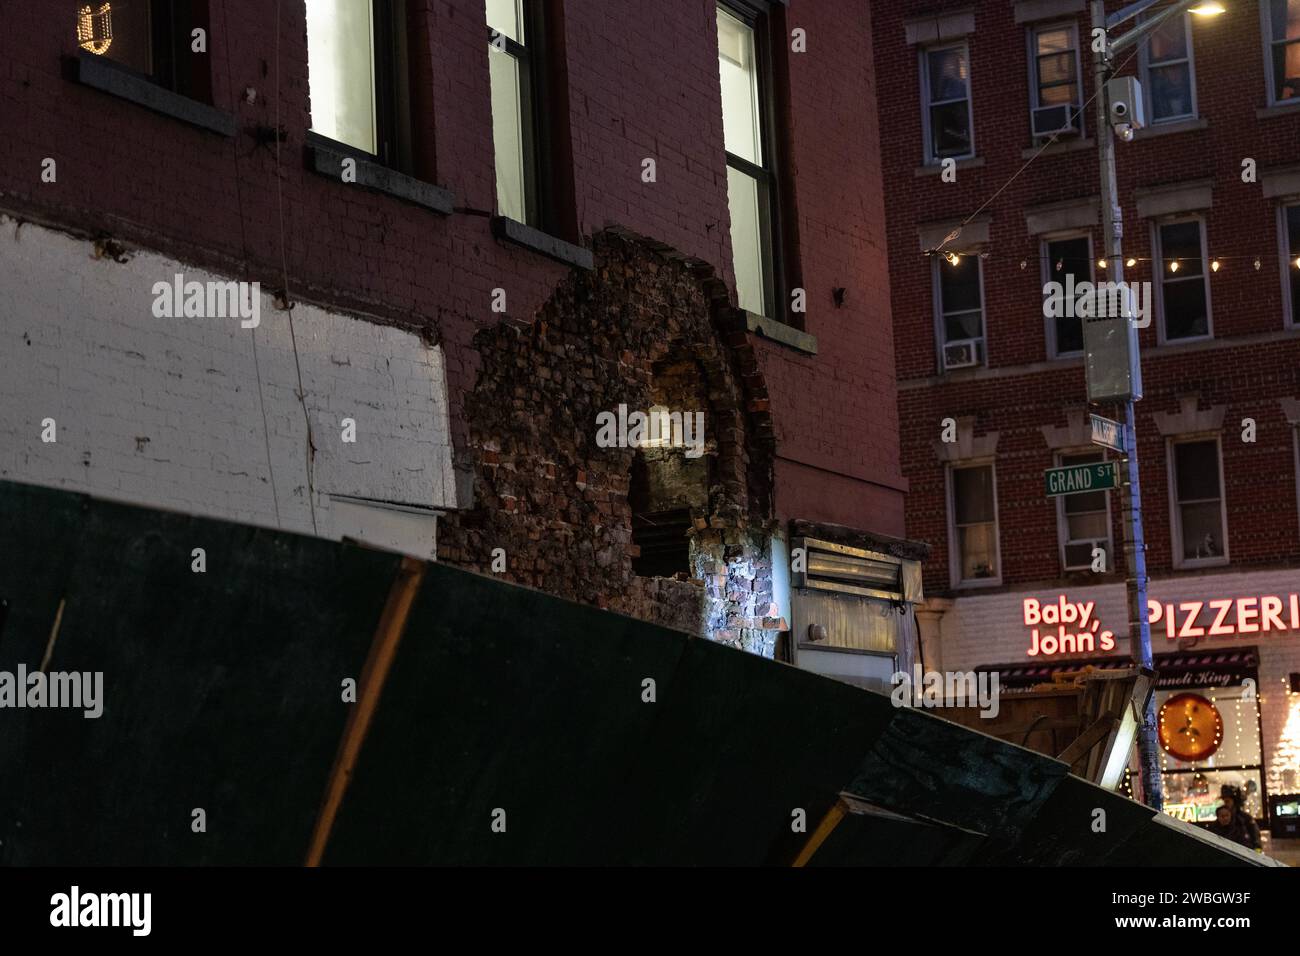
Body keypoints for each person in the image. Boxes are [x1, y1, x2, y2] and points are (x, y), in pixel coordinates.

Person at [1212, 786, 1262, 850]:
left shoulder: (1245, 819)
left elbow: (1256, 839)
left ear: (1234, 801)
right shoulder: (1218, 822)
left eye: (1227, 801)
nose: (1225, 804)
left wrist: (1256, 854)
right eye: (1224, 801)